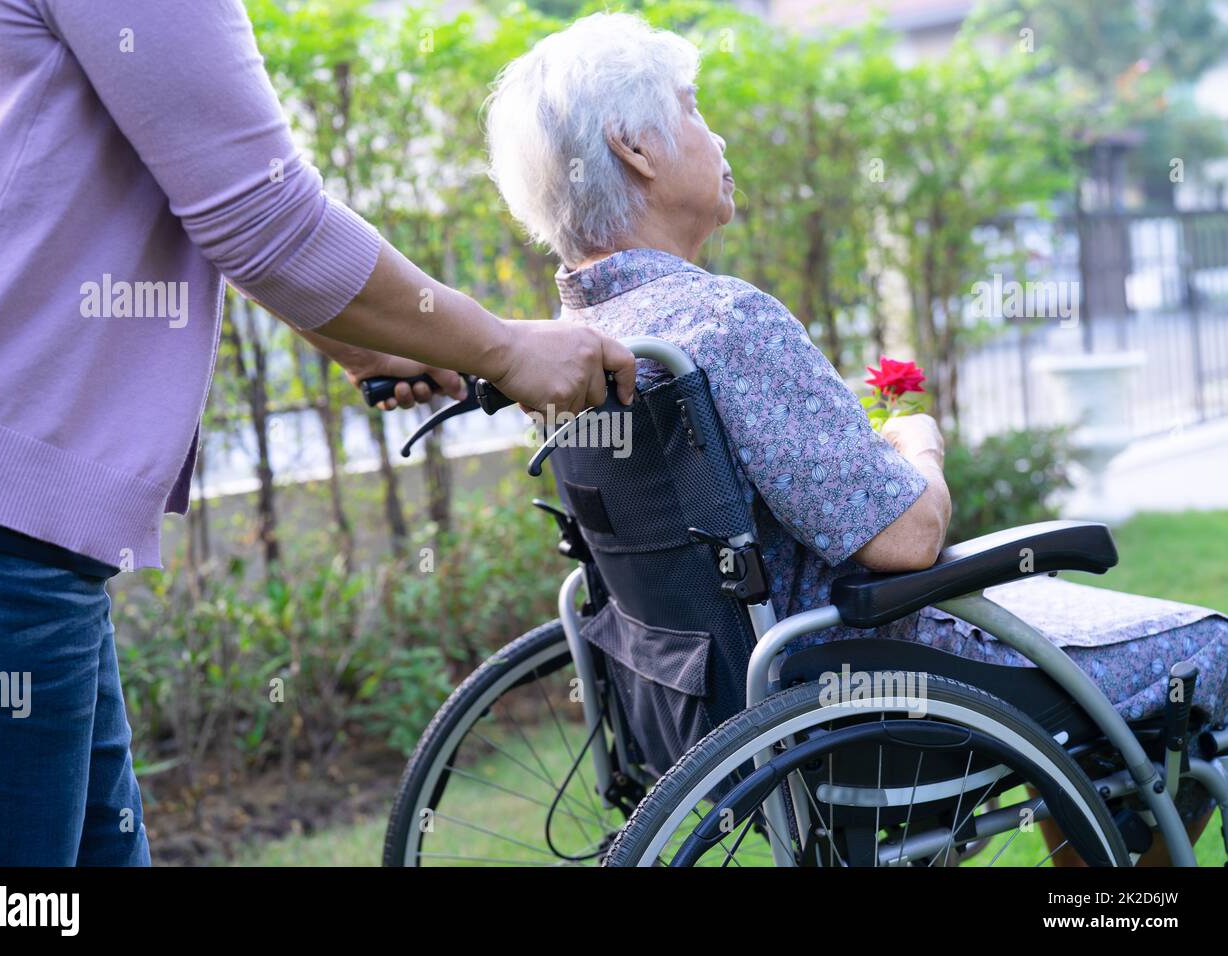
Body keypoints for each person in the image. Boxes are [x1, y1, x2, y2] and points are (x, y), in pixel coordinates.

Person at [483, 11, 1228, 864]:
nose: (717, 136)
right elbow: (907, 540)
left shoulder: (578, 342)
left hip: (696, 692)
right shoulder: (721, 321)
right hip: (861, 679)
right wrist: (920, 447)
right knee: (1209, 649)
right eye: (693, 110)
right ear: (636, 150)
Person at [0, 0, 636, 866]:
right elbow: (264, 220)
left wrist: (359, 340)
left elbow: (188, 188)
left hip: (0, 532)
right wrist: (510, 347)